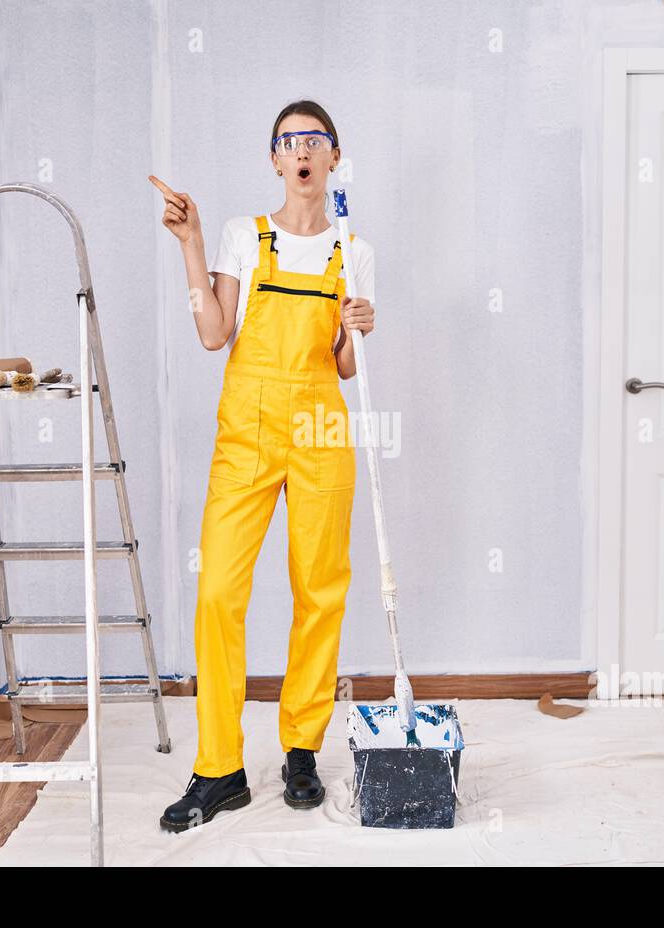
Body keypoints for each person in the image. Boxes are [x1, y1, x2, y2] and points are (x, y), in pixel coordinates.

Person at [150, 100, 376, 832]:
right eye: (289, 141)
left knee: (320, 589)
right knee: (218, 590)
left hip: (319, 427)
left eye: (315, 140)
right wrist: (188, 245)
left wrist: (357, 329)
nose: (302, 151)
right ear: (275, 159)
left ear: (333, 158)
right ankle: (219, 767)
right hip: (246, 431)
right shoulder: (242, 236)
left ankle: (302, 749)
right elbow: (214, 334)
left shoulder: (353, 248)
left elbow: (343, 368)